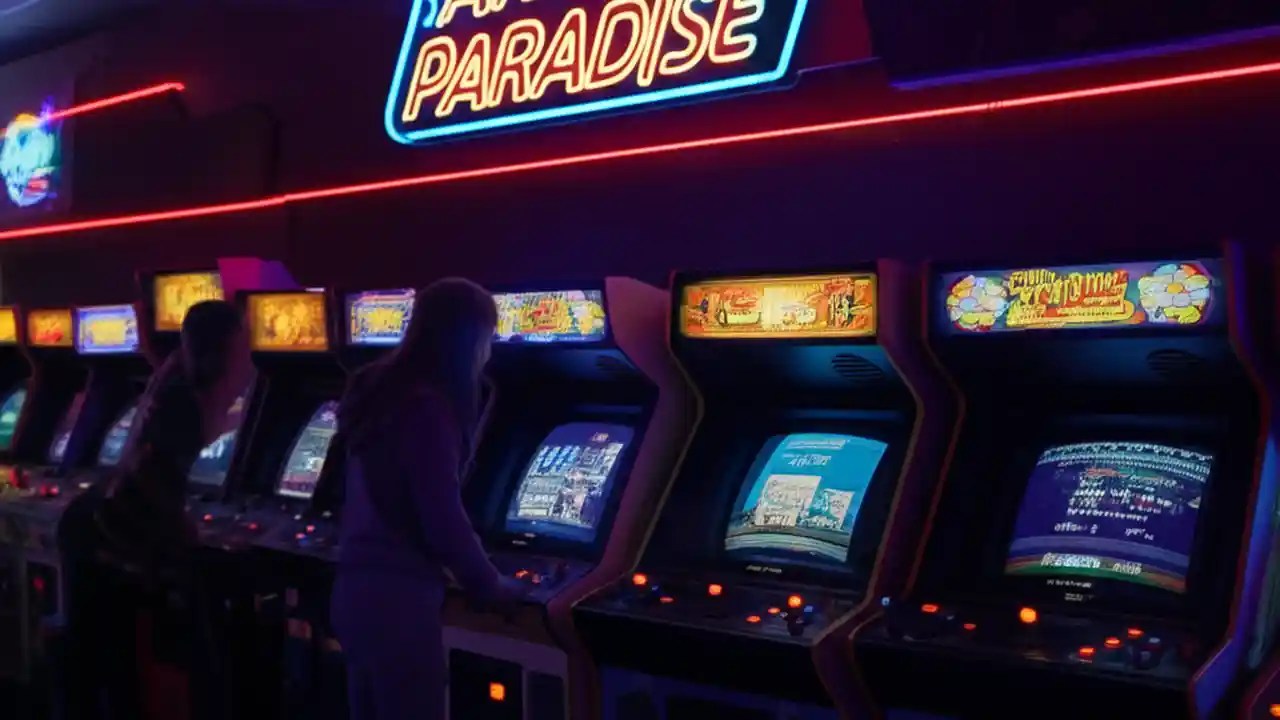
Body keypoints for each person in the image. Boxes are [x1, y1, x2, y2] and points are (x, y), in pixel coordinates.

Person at [332, 277, 524, 720]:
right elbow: (441, 518)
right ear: (469, 339)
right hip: (398, 600)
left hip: (354, 588)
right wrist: (490, 584)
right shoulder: (426, 408)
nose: (489, 353)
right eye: (487, 339)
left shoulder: (380, 389)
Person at [59, 299, 253, 720]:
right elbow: (152, 481)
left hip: (98, 529)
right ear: (227, 348)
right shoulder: (186, 405)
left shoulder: (177, 376)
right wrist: (185, 534)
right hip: (119, 543)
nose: (252, 354)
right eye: (245, 342)